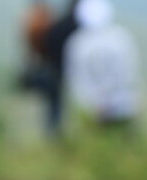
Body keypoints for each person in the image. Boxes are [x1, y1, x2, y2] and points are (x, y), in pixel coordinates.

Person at [66, 0, 139, 128]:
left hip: (93, 108)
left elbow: (76, 78)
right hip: (120, 104)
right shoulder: (120, 38)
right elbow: (129, 74)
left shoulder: (77, 43)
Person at [21, 0, 79, 137]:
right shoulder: (45, 24)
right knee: (56, 106)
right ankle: (55, 134)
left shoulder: (36, 23)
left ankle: (53, 133)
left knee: (53, 106)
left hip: (47, 70)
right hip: (54, 71)